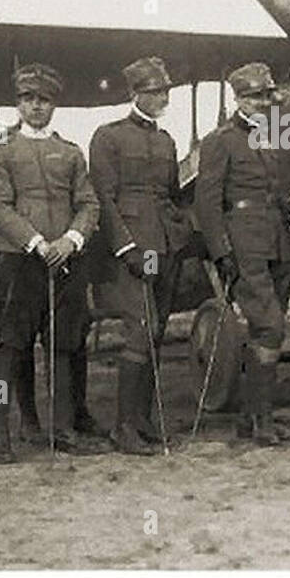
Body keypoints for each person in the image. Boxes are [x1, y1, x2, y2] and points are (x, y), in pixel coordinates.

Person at [0, 63, 102, 462]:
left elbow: (87, 203)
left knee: (64, 346)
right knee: (8, 347)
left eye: (44, 100)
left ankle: (64, 428)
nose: (35, 107)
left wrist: (71, 240)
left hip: (65, 261)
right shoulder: (0, 147)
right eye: (27, 99)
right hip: (17, 260)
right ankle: (1, 430)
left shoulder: (70, 152)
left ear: (55, 104)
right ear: (18, 103)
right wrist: (36, 242)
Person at [89, 56, 191, 455]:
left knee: (156, 332)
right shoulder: (108, 136)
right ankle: (124, 428)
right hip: (135, 246)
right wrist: (126, 246)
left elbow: (171, 194)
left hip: (166, 246)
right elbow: (104, 198)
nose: (161, 97)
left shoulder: (165, 140)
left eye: (164, 91)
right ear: (135, 94)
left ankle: (144, 421)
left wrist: (180, 234)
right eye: (153, 92)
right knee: (140, 329)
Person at [194, 62, 290, 445]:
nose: (261, 102)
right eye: (253, 96)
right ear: (237, 98)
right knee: (271, 327)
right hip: (243, 243)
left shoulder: (272, 136)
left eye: (266, 96)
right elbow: (207, 202)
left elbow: (267, 187)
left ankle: (250, 419)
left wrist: (283, 204)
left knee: (265, 330)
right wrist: (221, 252)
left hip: (276, 241)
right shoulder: (220, 139)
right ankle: (262, 420)